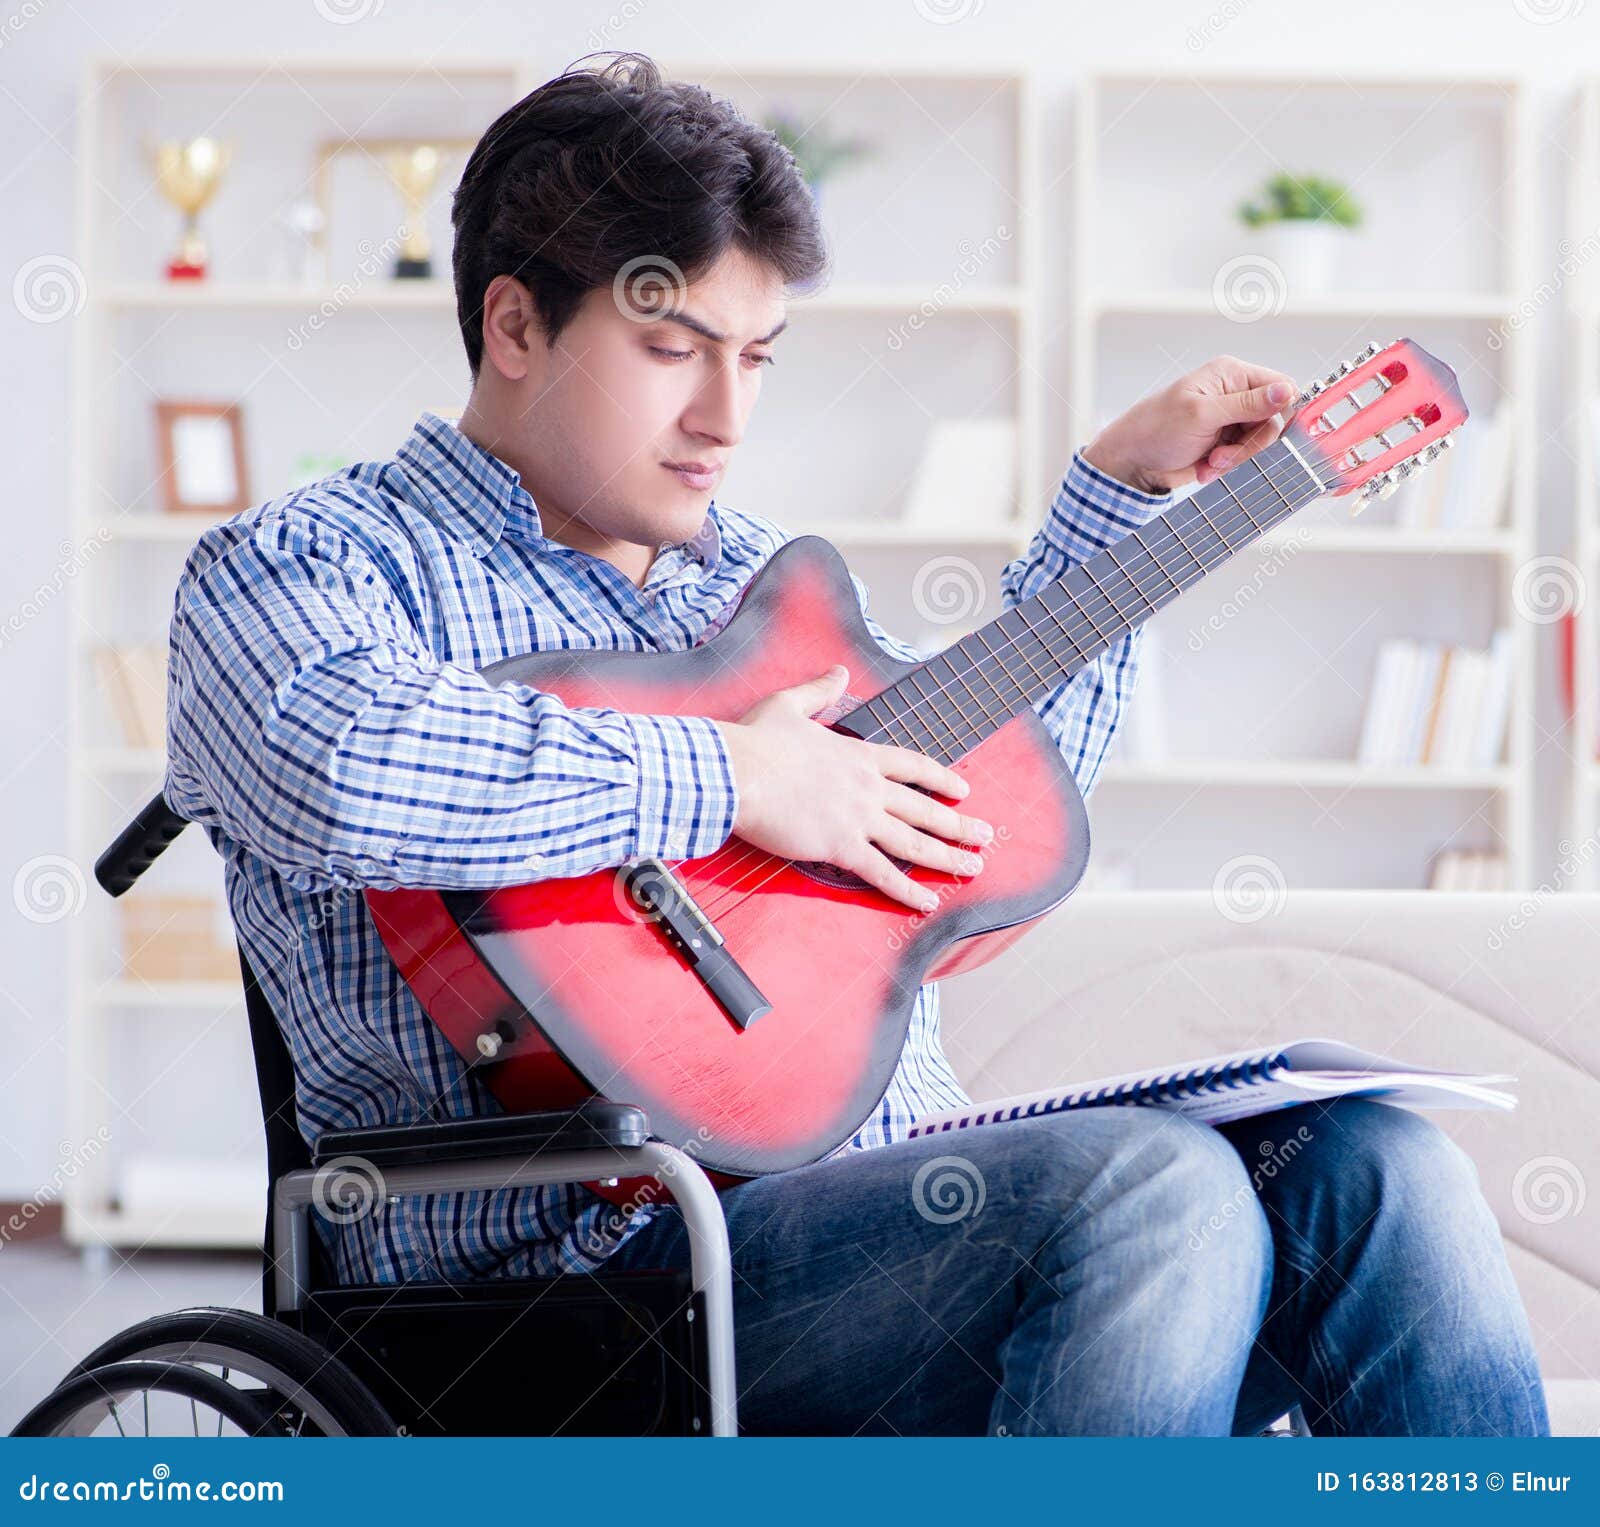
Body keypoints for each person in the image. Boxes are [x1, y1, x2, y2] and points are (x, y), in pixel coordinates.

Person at [164, 52, 1548, 1437]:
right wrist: (739, 780)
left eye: (754, 356)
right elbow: (334, 762)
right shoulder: (301, 563)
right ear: (514, 325)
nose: (727, 415)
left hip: (903, 1209)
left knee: (1375, 1169)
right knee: (1150, 1191)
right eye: (672, 348)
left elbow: (982, 825)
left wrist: (1122, 510)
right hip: (580, 1281)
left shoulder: (761, 584)